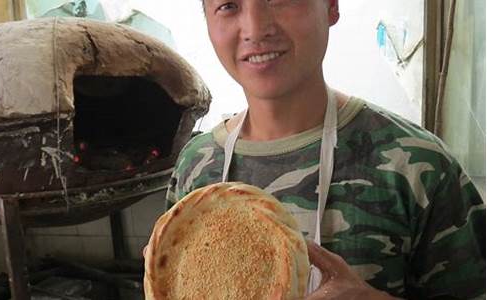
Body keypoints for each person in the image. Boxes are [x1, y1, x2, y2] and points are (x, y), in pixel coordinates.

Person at [163, 0, 486, 298]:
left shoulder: (416, 165)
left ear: (330, 7)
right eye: (229, 6)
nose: (255, 29)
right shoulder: (196, 167)